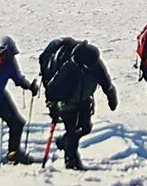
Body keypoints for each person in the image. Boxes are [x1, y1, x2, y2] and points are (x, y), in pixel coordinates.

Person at [42, 39, 117, 171]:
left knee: (85, 128)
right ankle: (71, 161)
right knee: (72, 131)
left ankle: (64, 142)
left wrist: (111, 96)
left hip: (84, 101)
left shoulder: (95, 64)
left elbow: (105, 81)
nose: (91, 68)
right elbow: (52, 89)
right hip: (67, 103)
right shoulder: (69, 67)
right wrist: (52, 106)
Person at [0, 36, 39, 164]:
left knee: (17, 122)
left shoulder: (9, 61)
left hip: (0, 95)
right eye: (9, 53)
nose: (11, 56)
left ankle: (13, 153)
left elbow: (16, 77)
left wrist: (28, 86)